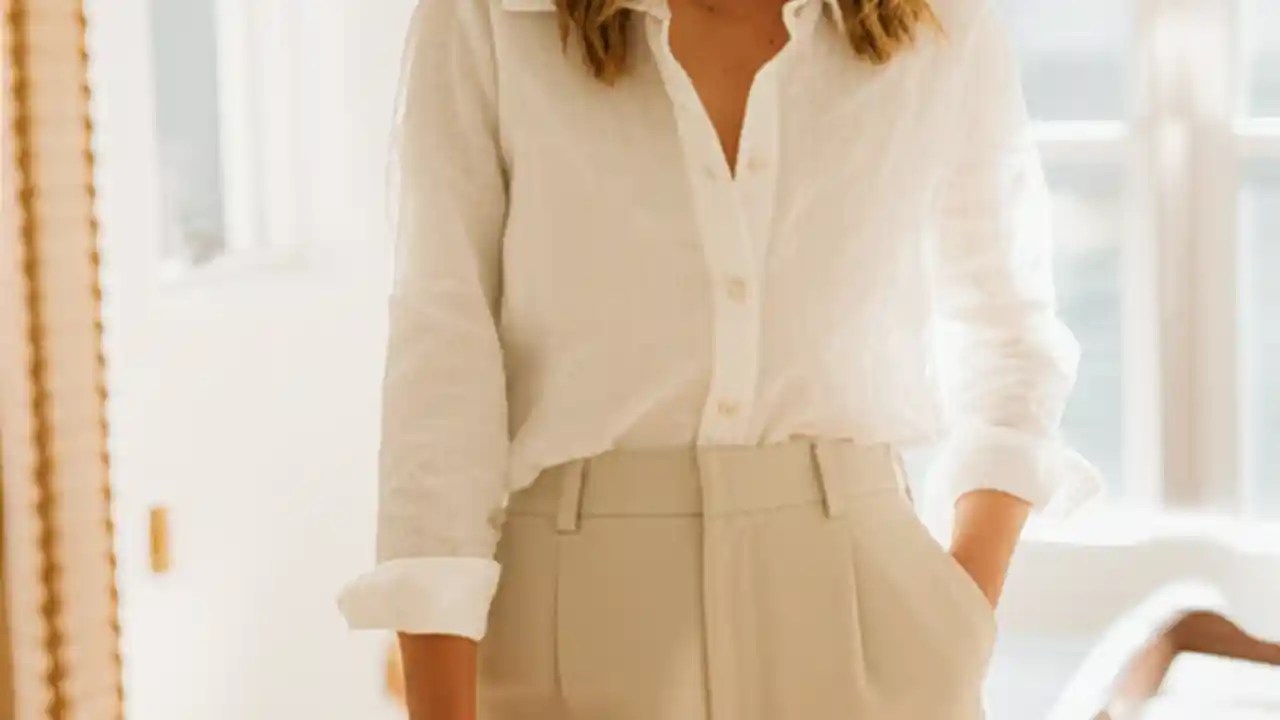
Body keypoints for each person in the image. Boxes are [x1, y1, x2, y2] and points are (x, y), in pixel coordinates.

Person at [337, 0, 1102, 718]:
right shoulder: (494, 19)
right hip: (569, 618)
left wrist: (954, 620)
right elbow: (443, 360)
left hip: (867, 611)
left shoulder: (940, 22)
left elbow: (1008, 332)